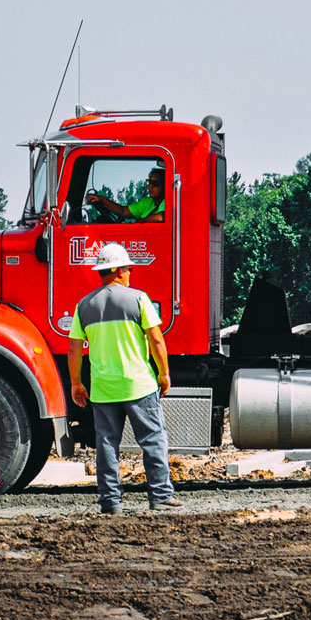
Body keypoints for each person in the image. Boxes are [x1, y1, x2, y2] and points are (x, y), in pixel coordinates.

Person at [67, 241, 181, 513]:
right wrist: (164, 373)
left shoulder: (84, 306)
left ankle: (110, 502)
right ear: (118, 271)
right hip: (138, 385)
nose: (130, 273)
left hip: (103, 389)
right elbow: (156, 340)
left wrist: (76, 383)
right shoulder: (138, 299)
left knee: (107, 445)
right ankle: (160, 496)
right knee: (153, 440)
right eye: (129, 269)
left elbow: (74, 349)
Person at [87, 167, 166, 222]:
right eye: (149, 182)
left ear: (165, 185)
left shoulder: (168, 202)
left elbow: (161, 217)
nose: (150, 186)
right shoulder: (147, 202)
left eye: (155, 183)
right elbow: (123, 211)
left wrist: (139, 222)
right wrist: (101, 199)